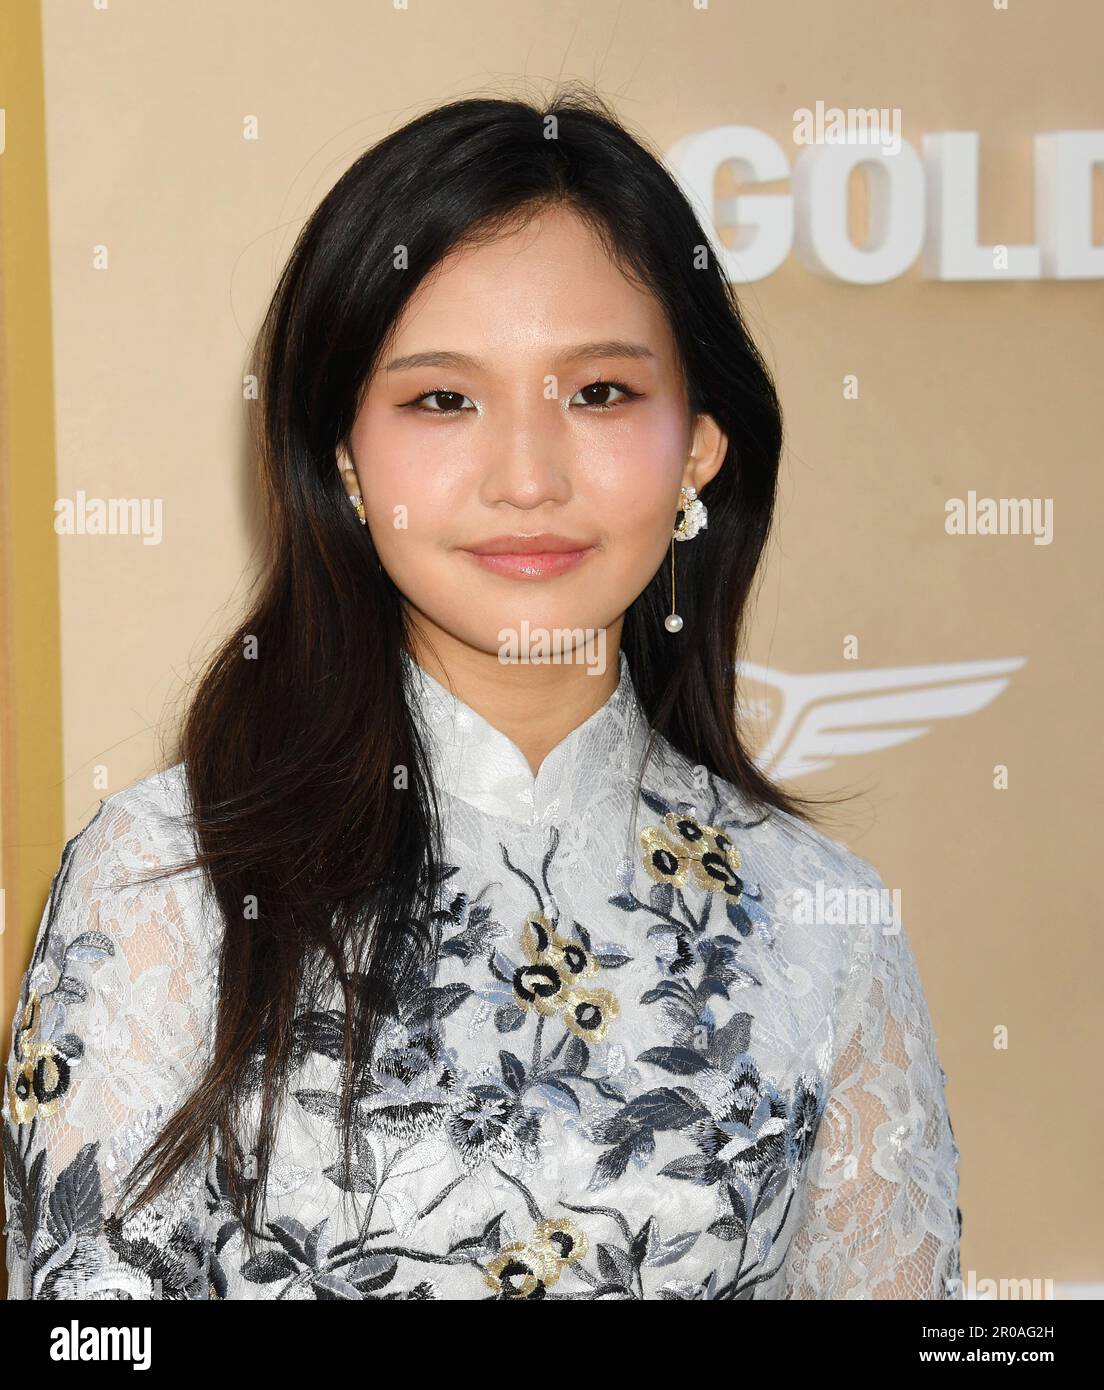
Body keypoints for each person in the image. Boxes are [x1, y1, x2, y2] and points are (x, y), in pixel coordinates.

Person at [3, 85, 962, 1300]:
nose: (527, 476)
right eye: (443, 399)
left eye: (600, 393)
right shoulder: (162, 885)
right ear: (346, 458)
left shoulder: (824, 926)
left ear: (701, 449)